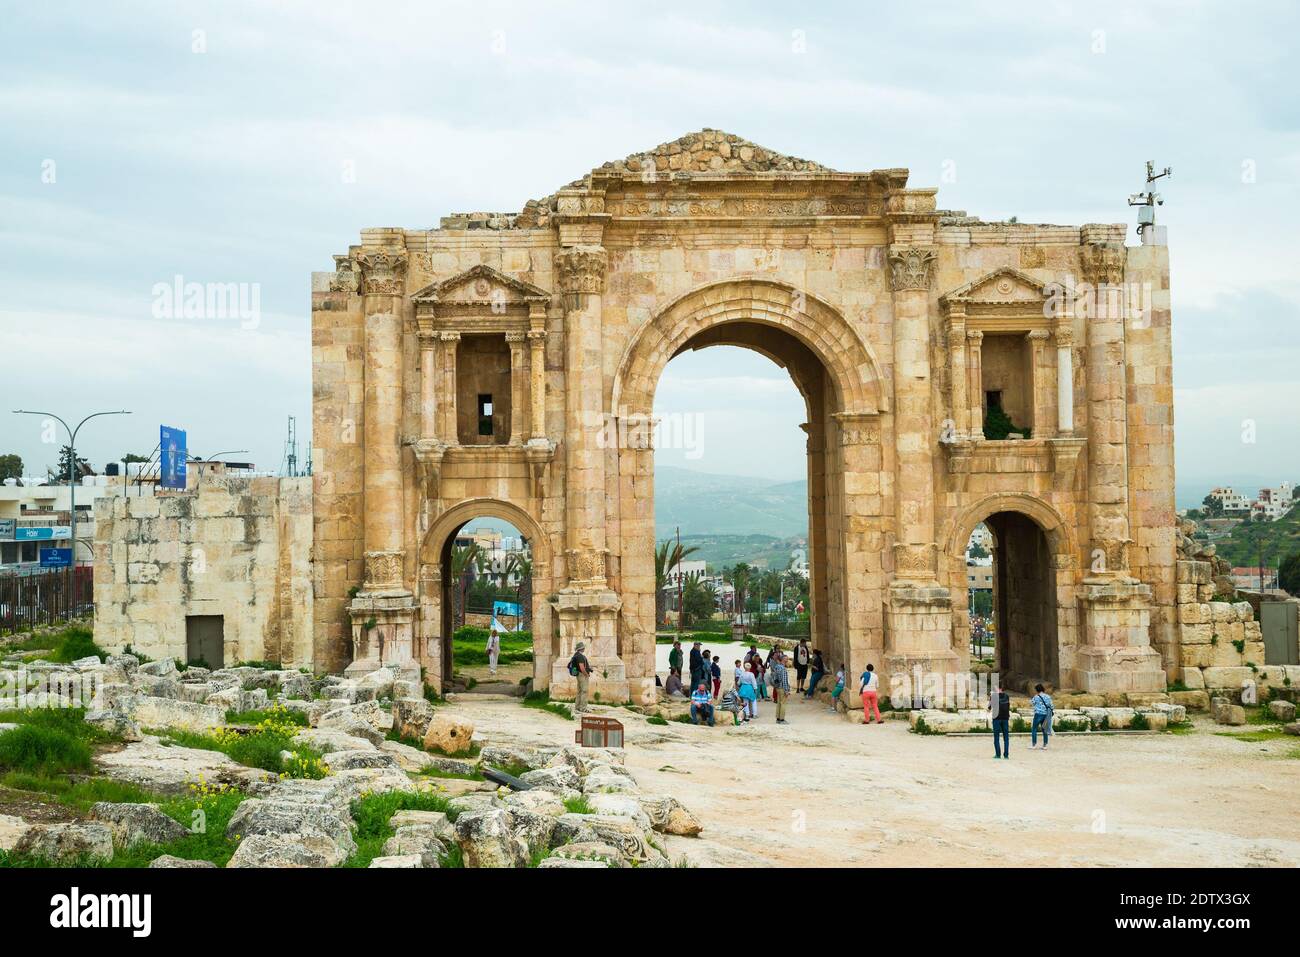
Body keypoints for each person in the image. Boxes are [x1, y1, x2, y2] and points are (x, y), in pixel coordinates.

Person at [568, 641, 592, 713]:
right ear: (582, 648)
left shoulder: (576, 655)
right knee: (584, 691)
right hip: (582, 675)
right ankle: (583, 708)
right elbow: (581, 667)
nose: (584, 648)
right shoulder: (580, 656)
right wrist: (586, 674)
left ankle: (577, 706)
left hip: (578, 675)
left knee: (579, 691)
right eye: (583, 647)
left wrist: (589, 669)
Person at [990, 681, 1011, 759]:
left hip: (996, 718)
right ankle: (1006, 755)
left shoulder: (994, 696)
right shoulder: (1007, 696)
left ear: (996, 687)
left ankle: (998, 755)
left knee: (996, 737)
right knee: (1006, 738)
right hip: (1005, 718)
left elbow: (989, 707)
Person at [769, 650, 791, 724]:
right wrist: (787, 690)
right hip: (782, 688)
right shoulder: (783, 669)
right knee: (783, 703)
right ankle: (782, 719)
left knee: (779, 703)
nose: (788, 661)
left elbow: (774, 677)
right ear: (784, 661)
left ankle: (778, 718)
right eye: (787, 659)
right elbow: (784, 681)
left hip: (777, 687)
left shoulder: (777, 667)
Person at [1030, 683, 1054, 749]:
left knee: (1034, 729)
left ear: (1037, 690)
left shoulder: (1036, 697)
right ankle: (1045, 745)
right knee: (1044, 730)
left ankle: (1034, 745)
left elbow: (1032, 703)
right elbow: (1052, 706)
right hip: (1046, 715)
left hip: (1038, 714)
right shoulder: (1048, 697)